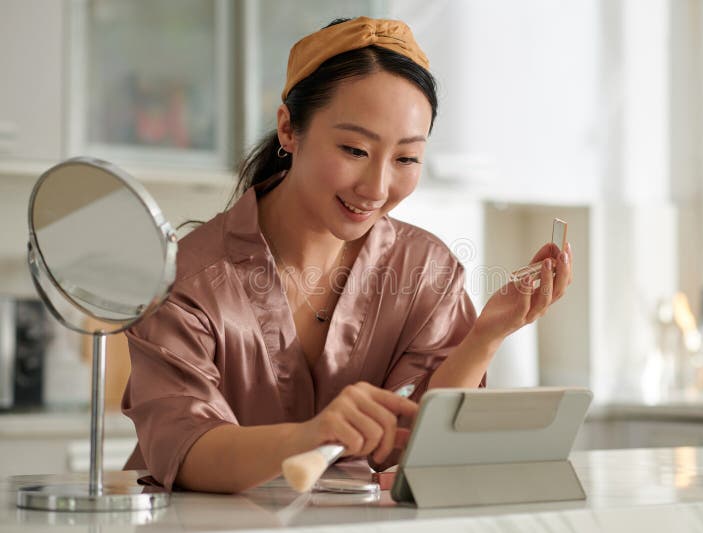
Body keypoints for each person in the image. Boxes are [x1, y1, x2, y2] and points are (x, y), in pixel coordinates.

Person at [122, 16, 573, 494]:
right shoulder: (188, 278)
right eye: (355, 149)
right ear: (288, 130)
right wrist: (310, 436)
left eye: (405, 159)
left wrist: (486, 335)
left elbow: (415, 440)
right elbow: (185, 450)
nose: (377, 188)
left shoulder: (425, 271)